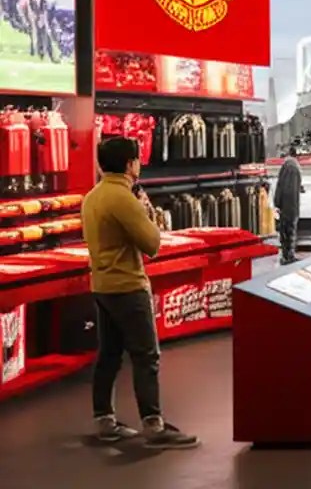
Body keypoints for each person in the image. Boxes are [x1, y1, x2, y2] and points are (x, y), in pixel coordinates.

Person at [84, 137, 198, 449]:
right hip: (128, 287)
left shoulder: (92, 197)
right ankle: (153, 424)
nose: (140, 165)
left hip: (102, 286)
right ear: (129, 164)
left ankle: (104, 420)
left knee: (108, 355)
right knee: (146, 355)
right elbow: (153, 244)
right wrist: (146, 212)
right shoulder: (124, 199)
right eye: (137, 160)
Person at [272, 146, 303, 264]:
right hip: (290, 204)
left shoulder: (287, 165)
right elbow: (290, 188)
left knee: (285, 230)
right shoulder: (293, 166)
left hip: (285, 204)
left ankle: (287, 255)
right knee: (290, 229)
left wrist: (277, 202)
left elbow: (281, 185)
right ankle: (288, 256)